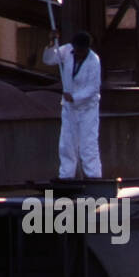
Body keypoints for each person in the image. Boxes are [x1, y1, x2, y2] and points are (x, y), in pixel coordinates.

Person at [42, 30, 102, 179]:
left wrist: (74, 97)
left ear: (87, 48)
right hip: (69, 109)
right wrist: (52, 43)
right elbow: (48, 60)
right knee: (67, 144)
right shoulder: (67, 50)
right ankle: (66, 177)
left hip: (87, 109)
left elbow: (93, 88)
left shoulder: (94, 61)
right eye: (76, 49)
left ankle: (94, 177)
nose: (78, 53)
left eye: (81, 50)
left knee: (88, 145)